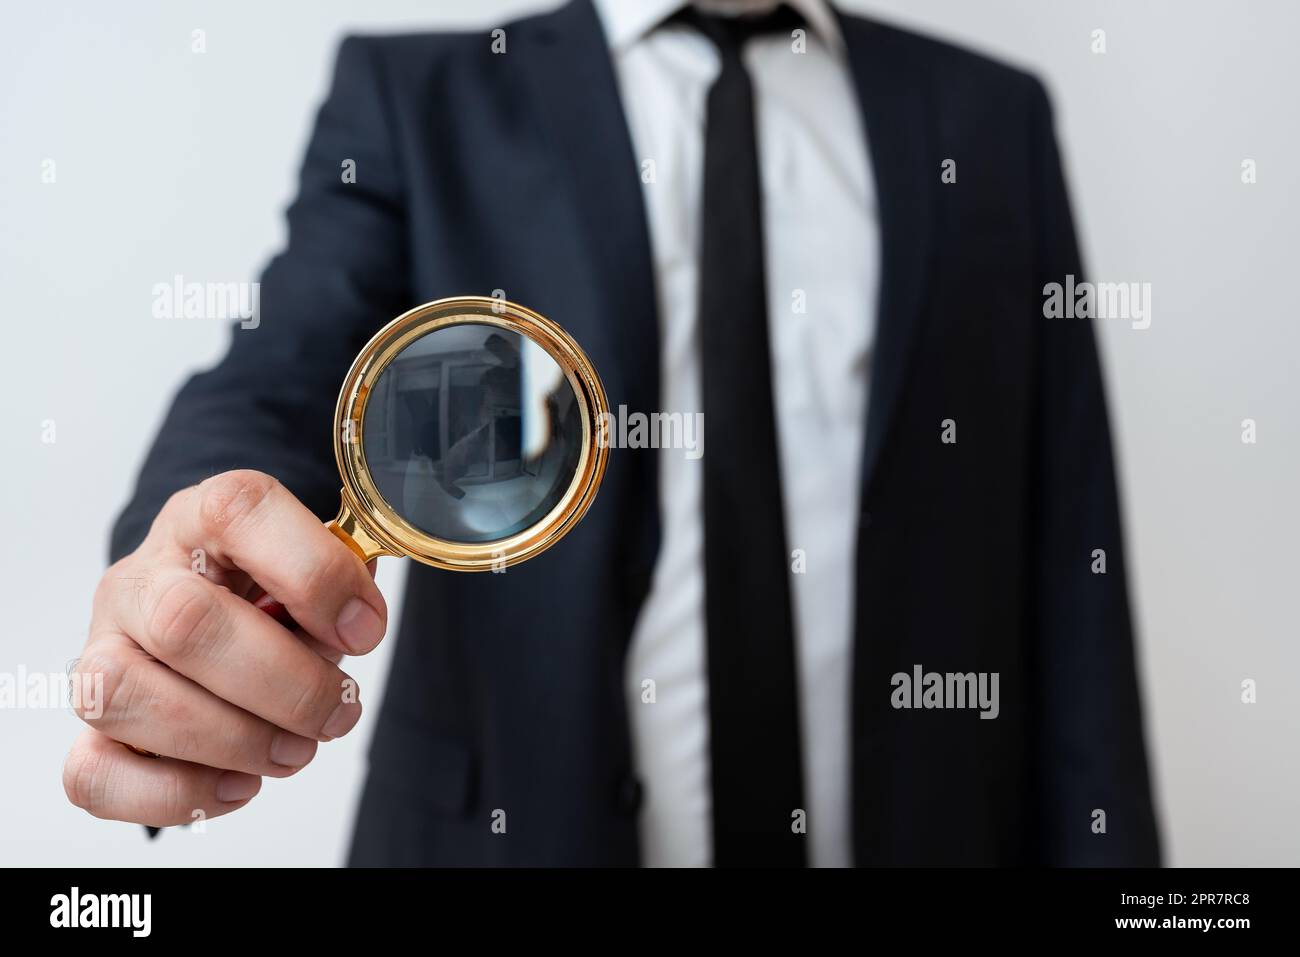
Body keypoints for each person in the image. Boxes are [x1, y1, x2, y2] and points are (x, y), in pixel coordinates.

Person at [62, 0, 1161, 866]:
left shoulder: (987, 117)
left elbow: (1072, 553)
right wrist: (187, 565)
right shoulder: (421, 95)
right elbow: (281, 375)